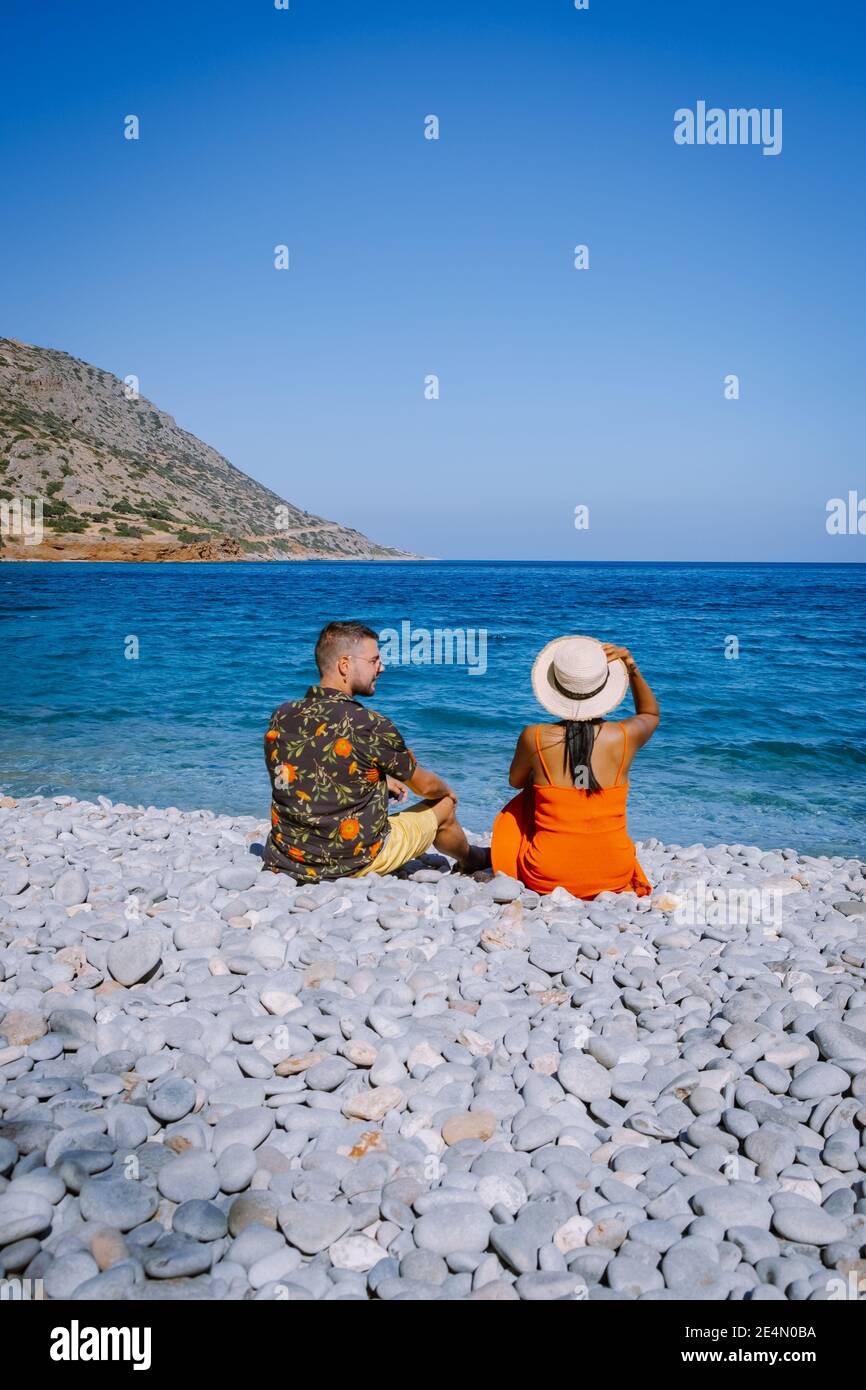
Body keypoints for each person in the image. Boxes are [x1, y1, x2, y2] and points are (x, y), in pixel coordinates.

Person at [263, 620, 487, 881]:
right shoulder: (368, 724)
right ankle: (473, 859)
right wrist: (446, 791)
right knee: (443, 804)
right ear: (345, 665)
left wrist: (378, 779)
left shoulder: (282, 714)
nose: (382, 667)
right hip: (350, 860)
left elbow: (302, 768)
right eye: (374, 660)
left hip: (287, 854)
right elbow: (424, 786)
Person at [490, 635, 659, 898]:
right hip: (615, 873)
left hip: (546, 876)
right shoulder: (624, 736)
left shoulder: (534, 736)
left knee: (524, 800)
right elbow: (650, 714)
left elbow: (516, 781)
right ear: (603, 687)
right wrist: (631, 665)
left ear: (556, 688)